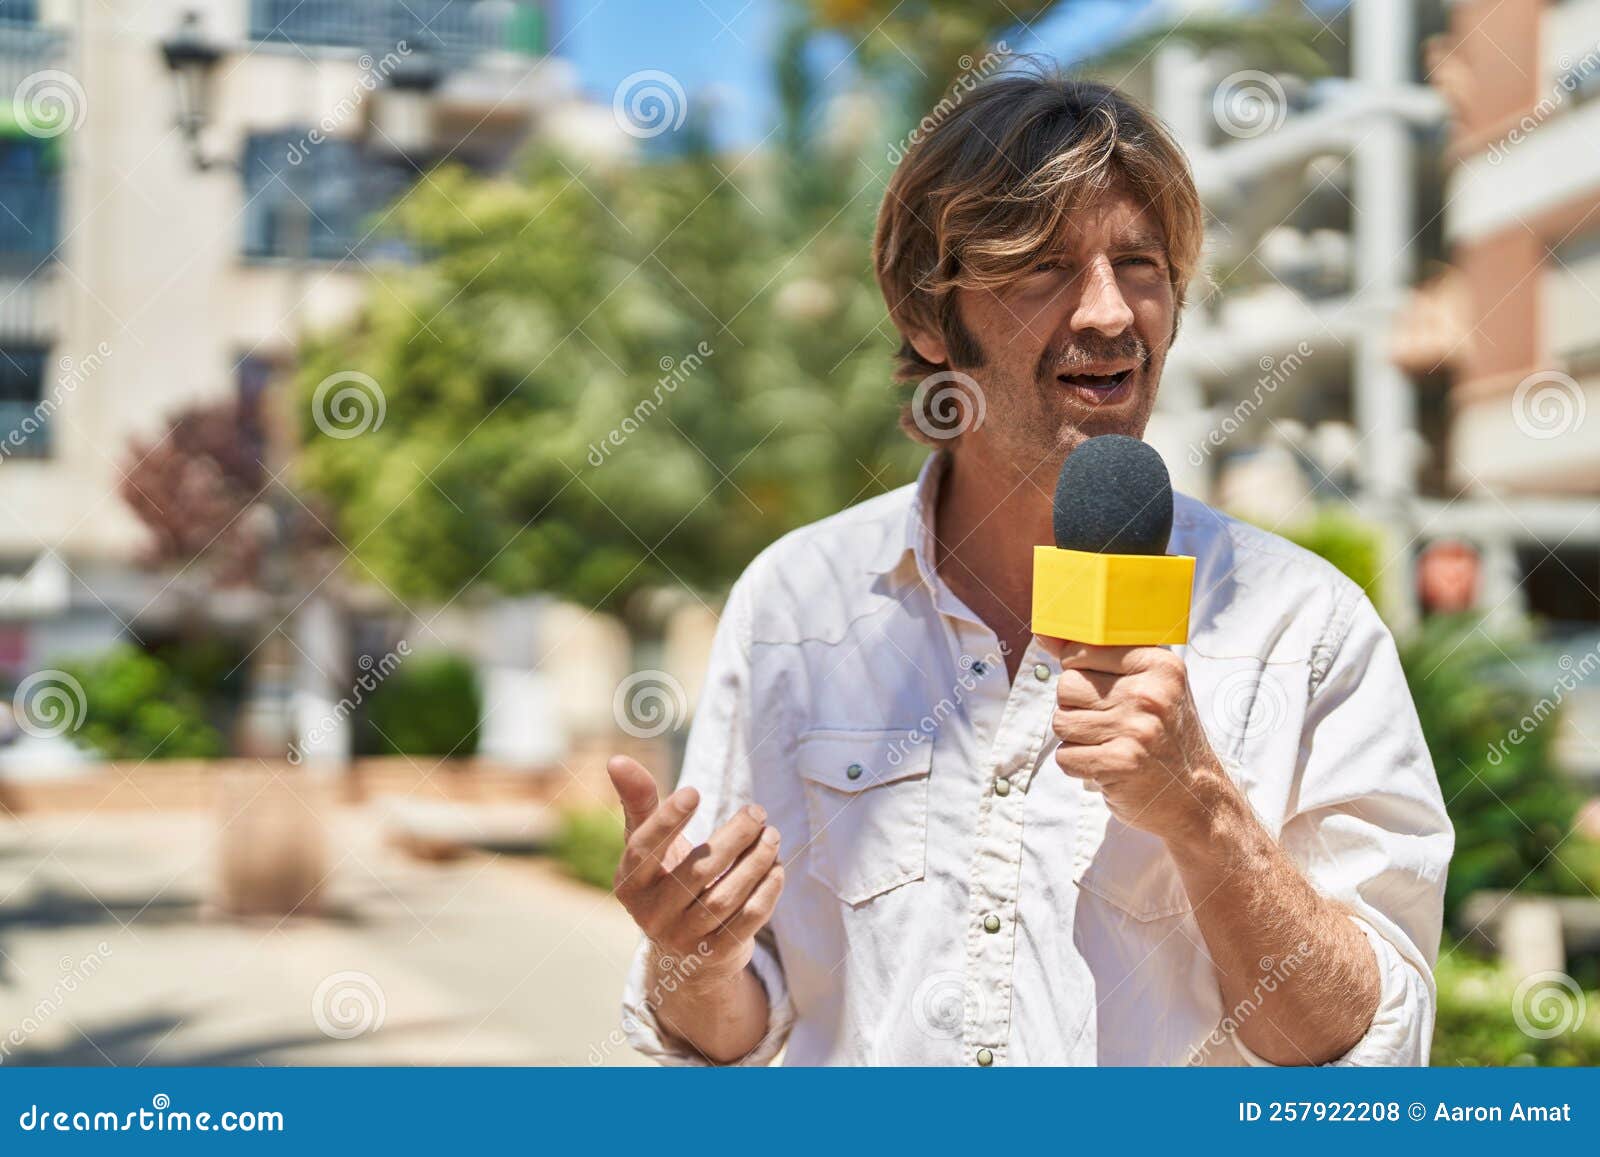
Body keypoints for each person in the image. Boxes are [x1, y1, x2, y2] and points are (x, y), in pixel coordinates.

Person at [609, 72, 1453, 1066]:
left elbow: (1367, 1055)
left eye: (1138, 263)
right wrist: (690, 959)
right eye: (1043, 267)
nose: (1107, 312)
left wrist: (1200, 810)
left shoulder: (1303, 627)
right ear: (927, 317)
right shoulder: (796, 603)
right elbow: (739, 1030)